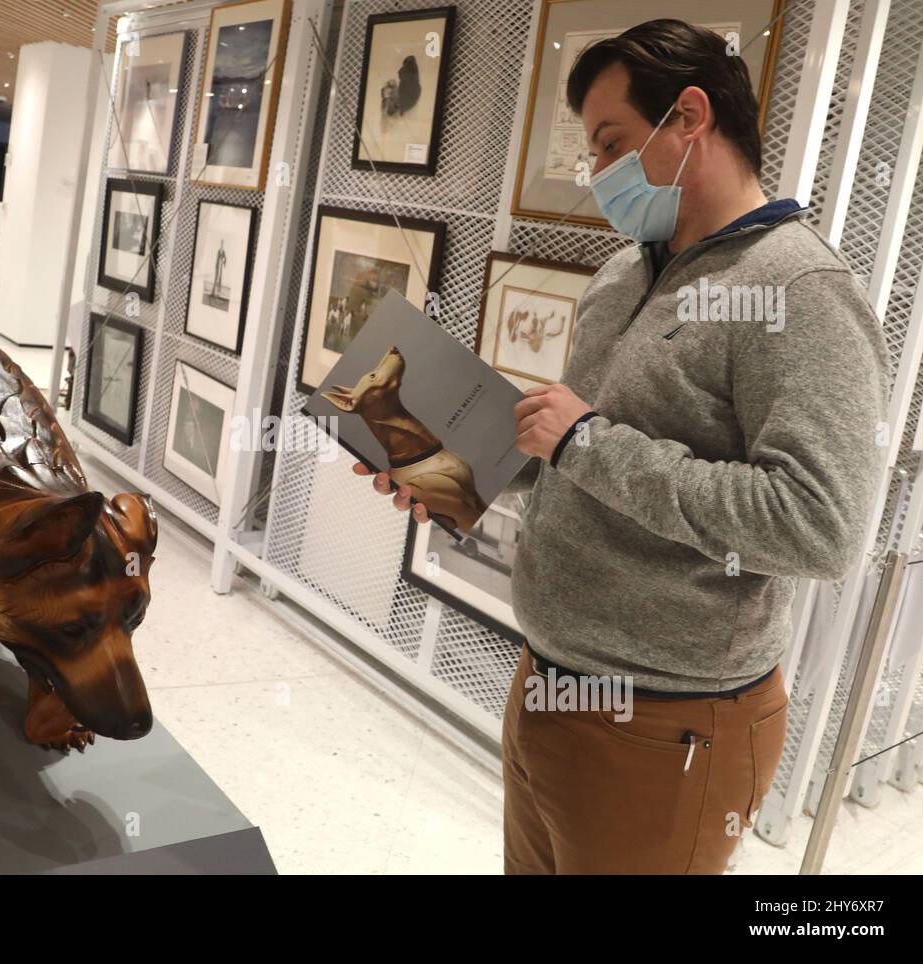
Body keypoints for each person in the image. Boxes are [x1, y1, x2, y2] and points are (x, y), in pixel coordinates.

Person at [355, 19, 889, 873]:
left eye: (610, 143)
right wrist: (457, 469)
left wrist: (589, 444)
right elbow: (572, 456)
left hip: (670, 722)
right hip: (550, 681)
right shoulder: (626, 271)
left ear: (689, 118)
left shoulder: (801, 290)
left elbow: (819, 527)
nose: (597, 173)